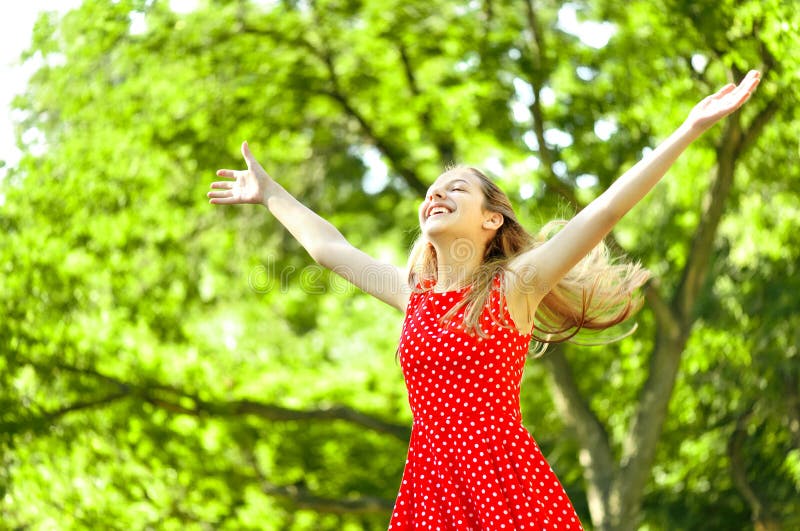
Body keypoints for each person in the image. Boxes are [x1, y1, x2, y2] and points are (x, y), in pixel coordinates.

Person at [208, 70, 760, 529]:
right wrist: (270, 193)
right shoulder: (414, 296)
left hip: (505, 488)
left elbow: (606, 212)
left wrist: (689, 128)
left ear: (492, 219)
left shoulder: (514, 286)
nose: (436, 194)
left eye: (457, 188)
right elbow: (330, 248)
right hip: (428, 493)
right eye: (432, 191)